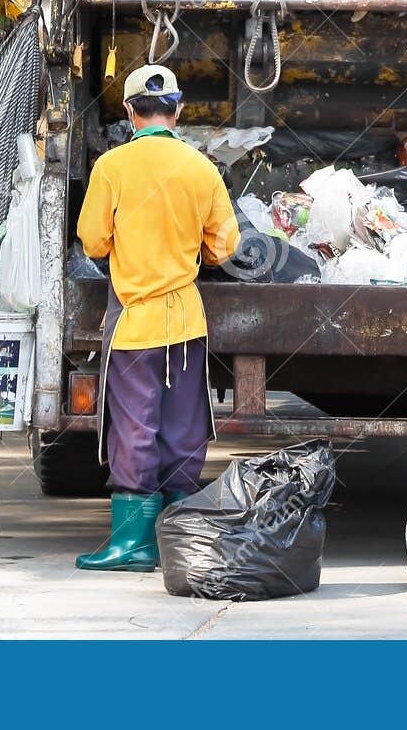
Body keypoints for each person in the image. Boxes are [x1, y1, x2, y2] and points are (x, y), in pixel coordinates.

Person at [73, 64, 240, 572]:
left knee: (133, 427)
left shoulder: (112, 168)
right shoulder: (201, 168)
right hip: (186, 323)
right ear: (179, 109)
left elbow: (93, 239)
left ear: (129, 112)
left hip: (134, 326)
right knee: (184, 427)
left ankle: (132, 542)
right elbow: (225, 245)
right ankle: (180, 541)